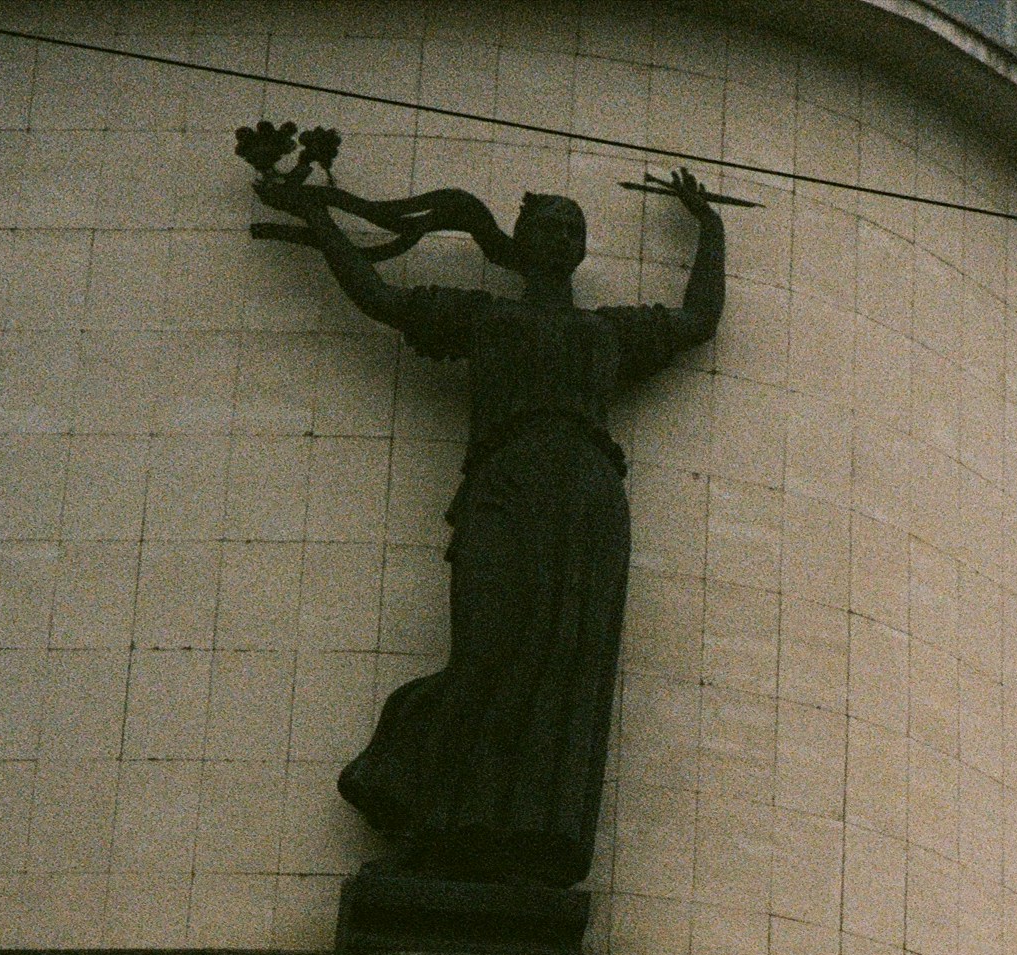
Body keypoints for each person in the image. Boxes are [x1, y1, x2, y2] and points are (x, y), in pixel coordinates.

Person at [249, 151, 727, 892]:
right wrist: (322, 220)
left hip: (588, 500)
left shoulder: (608, 333)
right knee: (488, 652)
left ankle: (530, 843)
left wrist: (711, 229)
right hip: (505, 487)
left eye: (574, 229)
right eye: (549, 225)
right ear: (521, 238)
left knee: (566, 659)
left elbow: (697, 320)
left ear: (581, 248)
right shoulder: (485, 318)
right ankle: (422, 816)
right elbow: (380, 298)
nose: (562, 238)